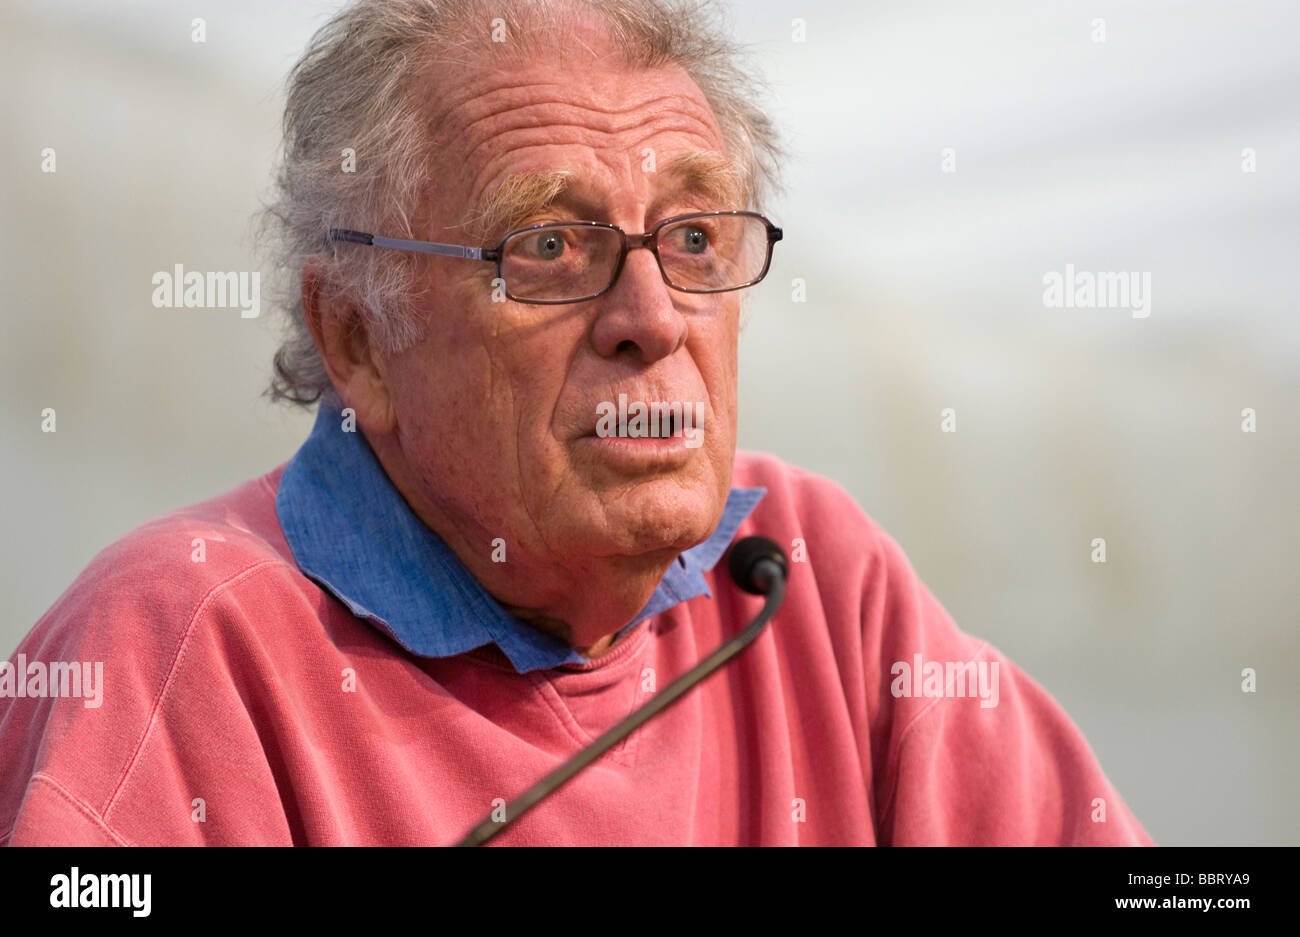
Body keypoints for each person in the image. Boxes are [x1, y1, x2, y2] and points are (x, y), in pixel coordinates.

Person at [0, 0, 1152, 846]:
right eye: (549, 246)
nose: (652, 319)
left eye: (695, 241)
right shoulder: (174, 646)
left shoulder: (805, 574)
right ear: (358, 338)